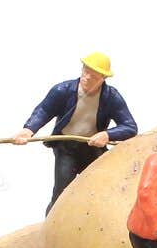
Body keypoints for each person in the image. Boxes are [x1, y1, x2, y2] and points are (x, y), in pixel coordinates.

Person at [15, 52, 139, 212]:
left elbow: (130, 126)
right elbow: (44, 110)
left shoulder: (111, 97)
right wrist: (28, 130)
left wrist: (107, 134)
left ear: (103, 79)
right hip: (66, 148)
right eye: (85, 71)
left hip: (93, 147)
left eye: (93, 76)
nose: (87, 77)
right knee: (62, 191)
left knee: (103, 186)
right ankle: (51, 223)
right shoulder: (63, 90)